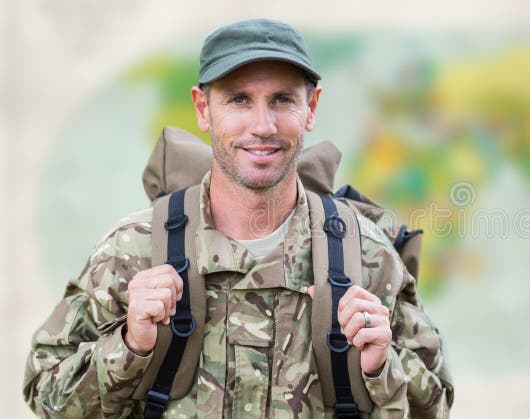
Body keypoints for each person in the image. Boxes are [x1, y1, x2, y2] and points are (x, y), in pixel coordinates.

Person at [23, 19, 452, 418]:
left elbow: (435, 406)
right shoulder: (133, 250)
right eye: (238, 100)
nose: (262, 125)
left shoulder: (366, 256)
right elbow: (45, 394)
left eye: (282, 100)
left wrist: (381, 368)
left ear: (311, 108)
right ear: (203, 108)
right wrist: (131, 346)